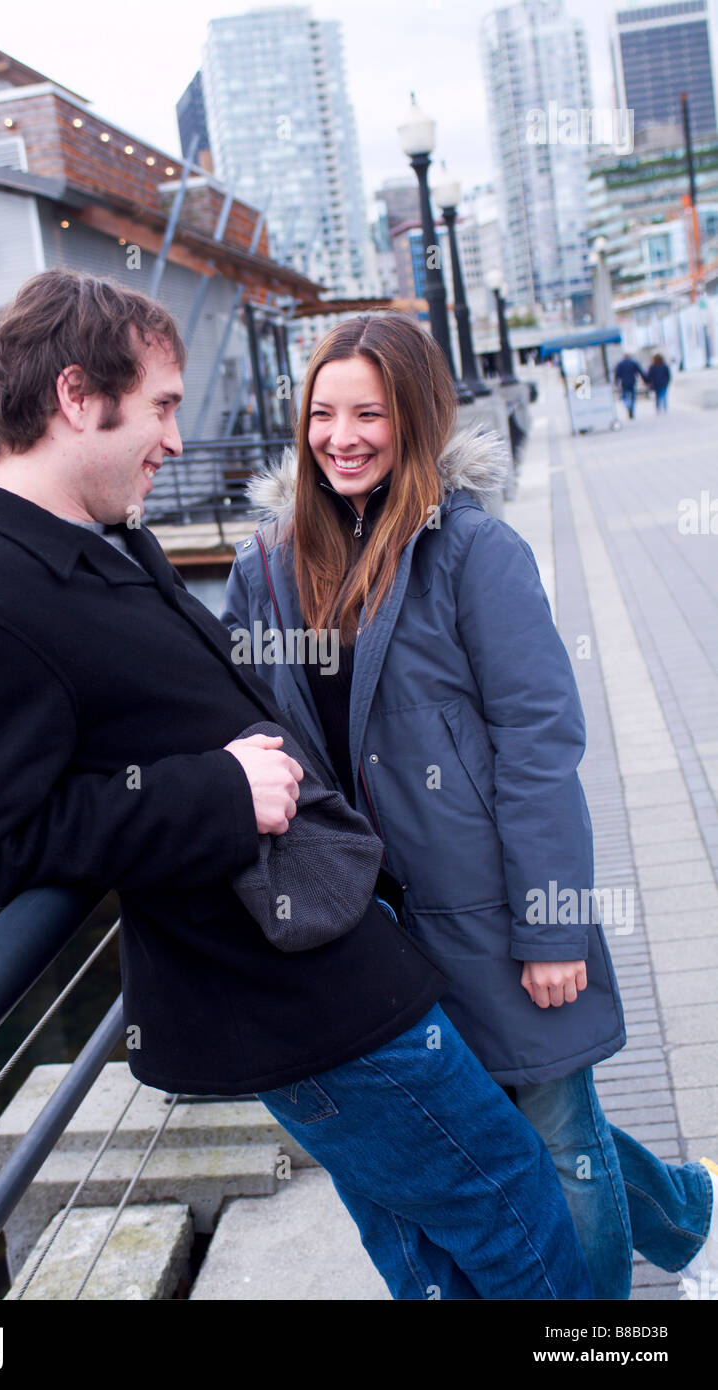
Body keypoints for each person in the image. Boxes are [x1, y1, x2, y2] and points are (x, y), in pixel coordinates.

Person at [0, 269, 593, 1302]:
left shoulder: (98, 536)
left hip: (324, 955)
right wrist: (214, 792)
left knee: (429, 1253)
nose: (175, 440)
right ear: (80, 396)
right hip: (293, 996)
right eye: (162, 407)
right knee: (518, 1217)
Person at [222, 311, 718, 1301]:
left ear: (416, 418)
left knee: (552, 1130)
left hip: (491, 913)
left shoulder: (469, 554)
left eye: (369, 411)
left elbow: (539, 745)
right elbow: (235, 723)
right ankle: (686, 1210)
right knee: (488, 1122)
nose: (341, 435)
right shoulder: (263, 576)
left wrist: (553, 925)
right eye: (322, 412)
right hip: (360, 928)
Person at [613, 351, 647, 418]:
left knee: (624, 397)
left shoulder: (620, 364)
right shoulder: (633, 363)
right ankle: (631, 407)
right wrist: (645, 380)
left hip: (624, 383)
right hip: (632, 382)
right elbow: (640, 371)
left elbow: (617, 375)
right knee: (633, 397)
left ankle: (628, 406)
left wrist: (616, 383)